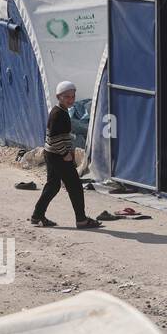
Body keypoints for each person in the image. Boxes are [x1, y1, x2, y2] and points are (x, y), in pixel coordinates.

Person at [30, 80, 100, 230]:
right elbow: (54, 138)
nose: (70, 99)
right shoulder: (58, 114)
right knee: (75, 186)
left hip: (52, 154)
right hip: (58, 155)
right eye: (66, 96)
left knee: (53, 185)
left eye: (72, 96)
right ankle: (81, 220)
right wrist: (65, 154)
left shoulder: (61, 112)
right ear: (58, 97)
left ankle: (37, 216)